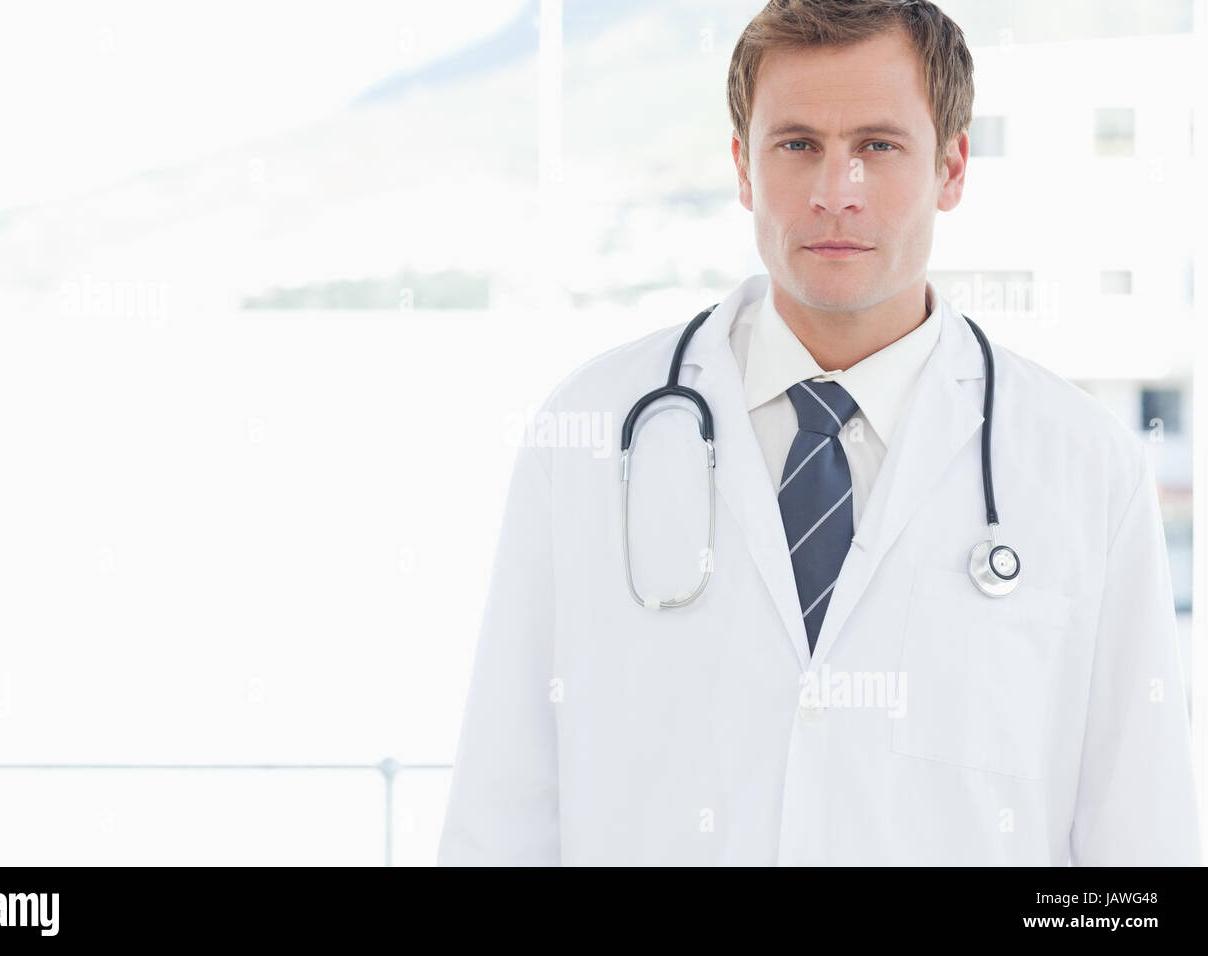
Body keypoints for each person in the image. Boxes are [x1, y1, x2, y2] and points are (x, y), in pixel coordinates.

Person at [437, 0, 1200, 865]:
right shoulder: (586, 440)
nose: (838, 191)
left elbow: (1138, 857)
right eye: (798, 145)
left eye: (879, 145)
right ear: (742, 167)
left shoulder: (1085, 469)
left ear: (953, 166)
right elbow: (500, 819)